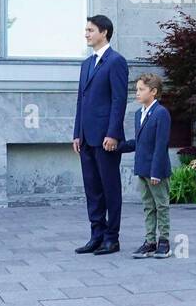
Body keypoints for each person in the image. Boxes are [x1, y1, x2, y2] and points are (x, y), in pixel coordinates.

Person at [72, 15, 129, 256]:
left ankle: (111, 238)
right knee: (92, 189)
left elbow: (119, 99)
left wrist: (113, 133)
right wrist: (77, 133)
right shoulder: (86, 64)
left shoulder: (116, 61)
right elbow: (80, 101)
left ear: (104, 32)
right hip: (86, 139)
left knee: (109, 188)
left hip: (106, 139)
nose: (86, 34)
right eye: (85, 30)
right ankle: (96, 234)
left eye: (90, 30)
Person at [118, 73, 173, 259]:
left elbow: (160, 144)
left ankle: (164, 241)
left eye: (141, 89)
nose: (137, 93)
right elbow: (140, 142)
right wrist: (118, 146)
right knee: (148, 206)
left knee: (161, 205)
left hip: (155, 170)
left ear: (154, 91)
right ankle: (150, 241)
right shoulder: (138, 114)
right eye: (137, 89)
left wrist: (156, 172)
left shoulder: (161, 113)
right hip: (142, 168)